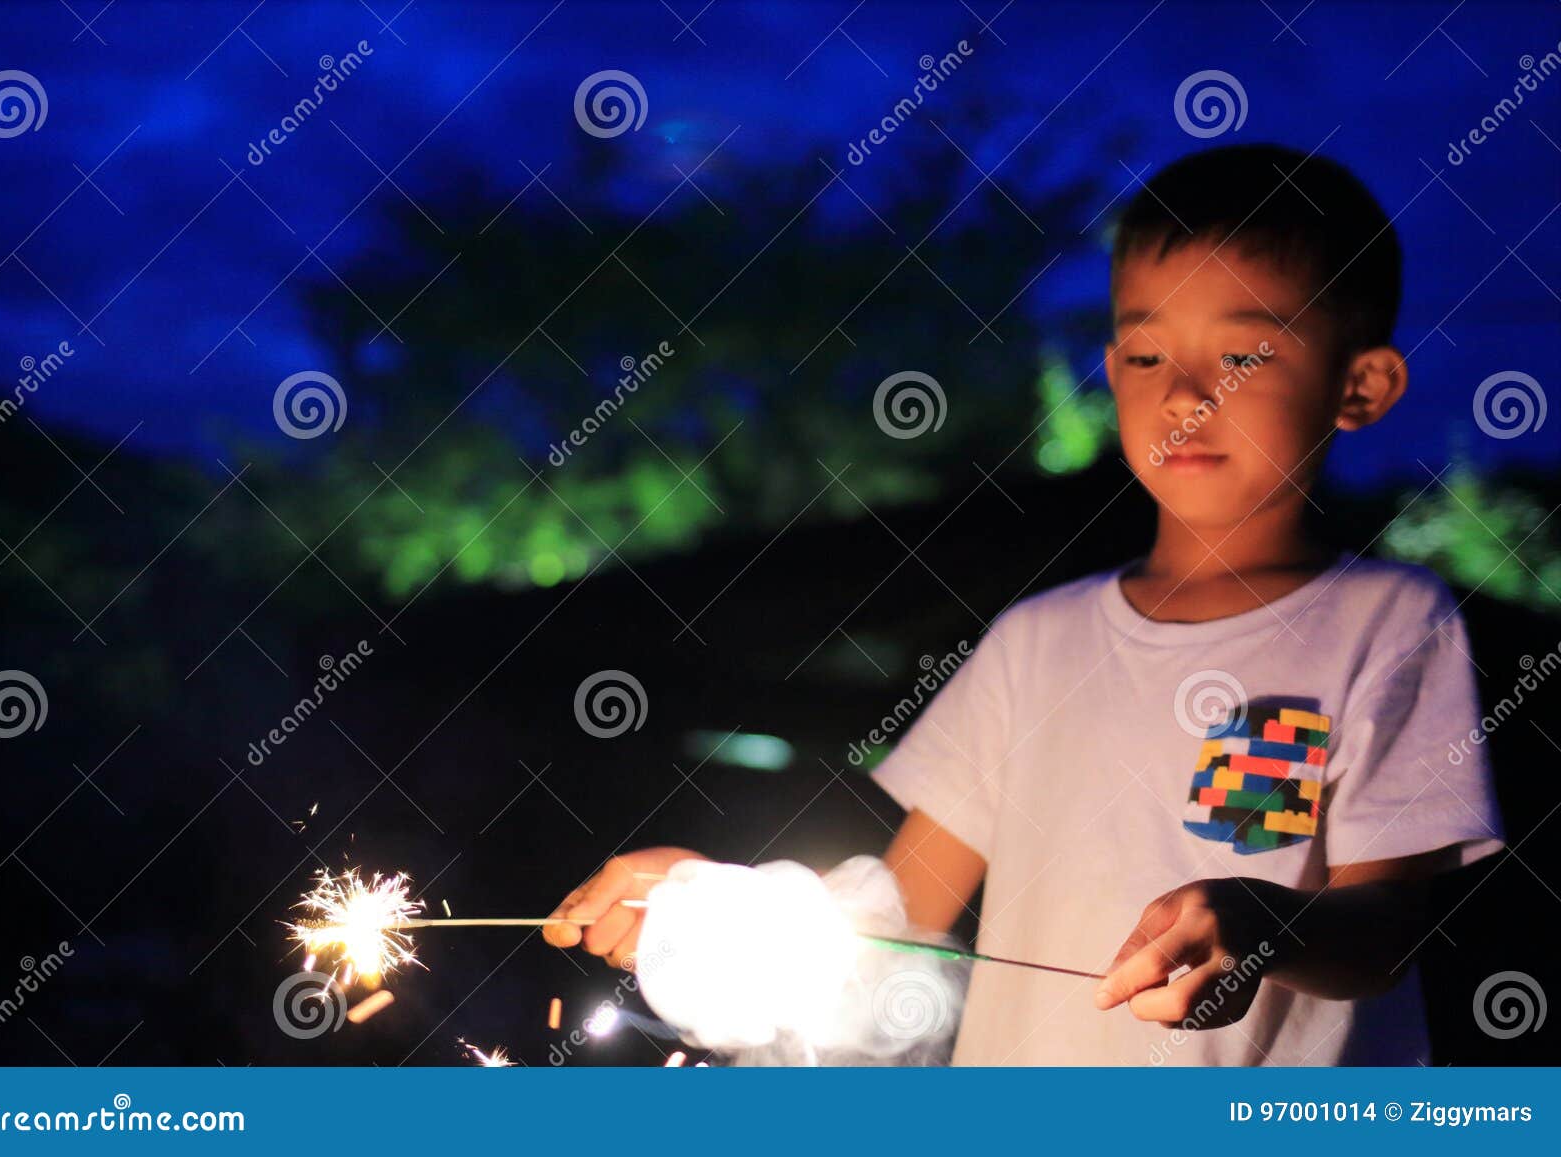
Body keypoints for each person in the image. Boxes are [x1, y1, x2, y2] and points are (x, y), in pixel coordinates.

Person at [542, 143, 1505, 1065]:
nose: (1185, 396)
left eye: (1245, 356)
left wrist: (1264, 923)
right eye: (1143, 356)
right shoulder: (1035, 643)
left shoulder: (1388, 623)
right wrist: (720, 907)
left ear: (1362, 385)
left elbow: (1382, 932)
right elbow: (897, 912)